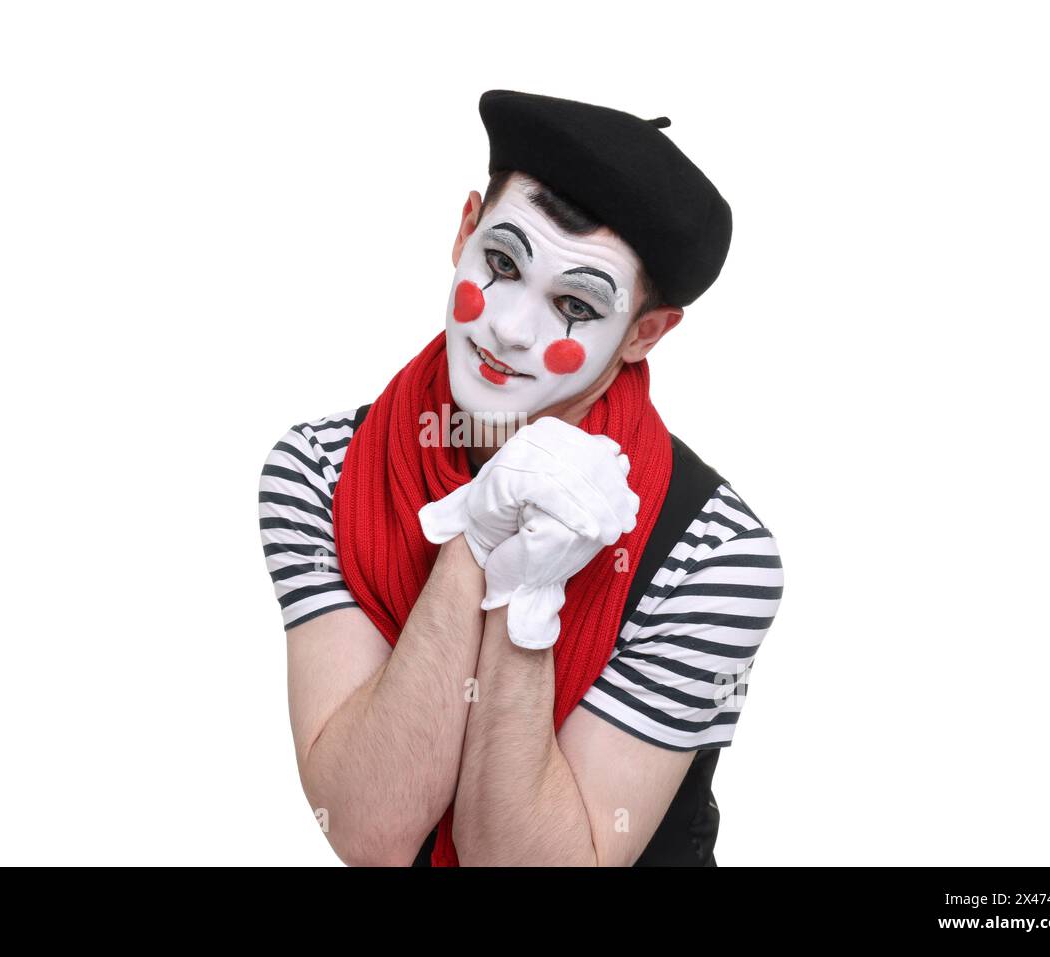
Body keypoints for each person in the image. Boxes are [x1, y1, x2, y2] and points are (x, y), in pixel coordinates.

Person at [259, 90, 784, 866]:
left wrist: (528, 591)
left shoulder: (716, 556)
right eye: (502, 263)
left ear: (645, 332)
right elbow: (369, 830)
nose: (509, 327)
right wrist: (477, 538)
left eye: (575, 302)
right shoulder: (317, 471)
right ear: (464, 228)